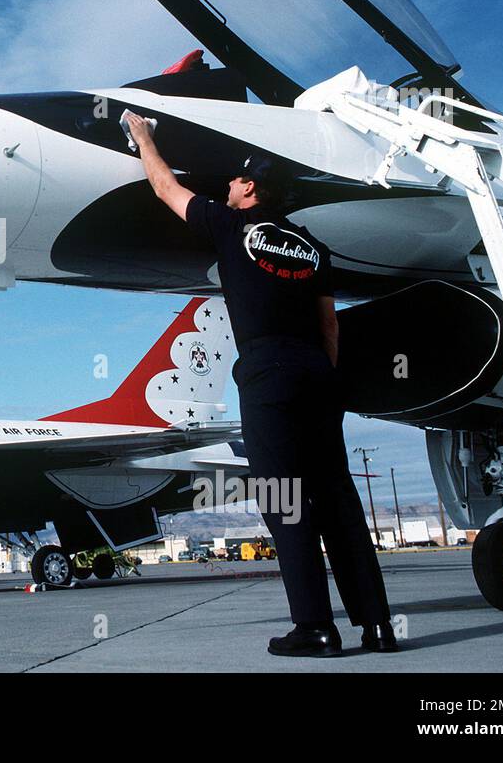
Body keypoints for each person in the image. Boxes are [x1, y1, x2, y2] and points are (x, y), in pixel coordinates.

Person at [125, 111, 397, 657]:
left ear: (248, 187)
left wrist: (142, 136)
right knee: (339, 500)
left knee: (287, 499)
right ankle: (377, 627)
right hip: (319, 373)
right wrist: (323, 378)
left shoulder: (230, 227)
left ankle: (316, 630)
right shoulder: (313, 247)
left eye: (233, 180)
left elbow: (164, 187)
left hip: (269, 371)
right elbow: (329, 323)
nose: (226, 186)